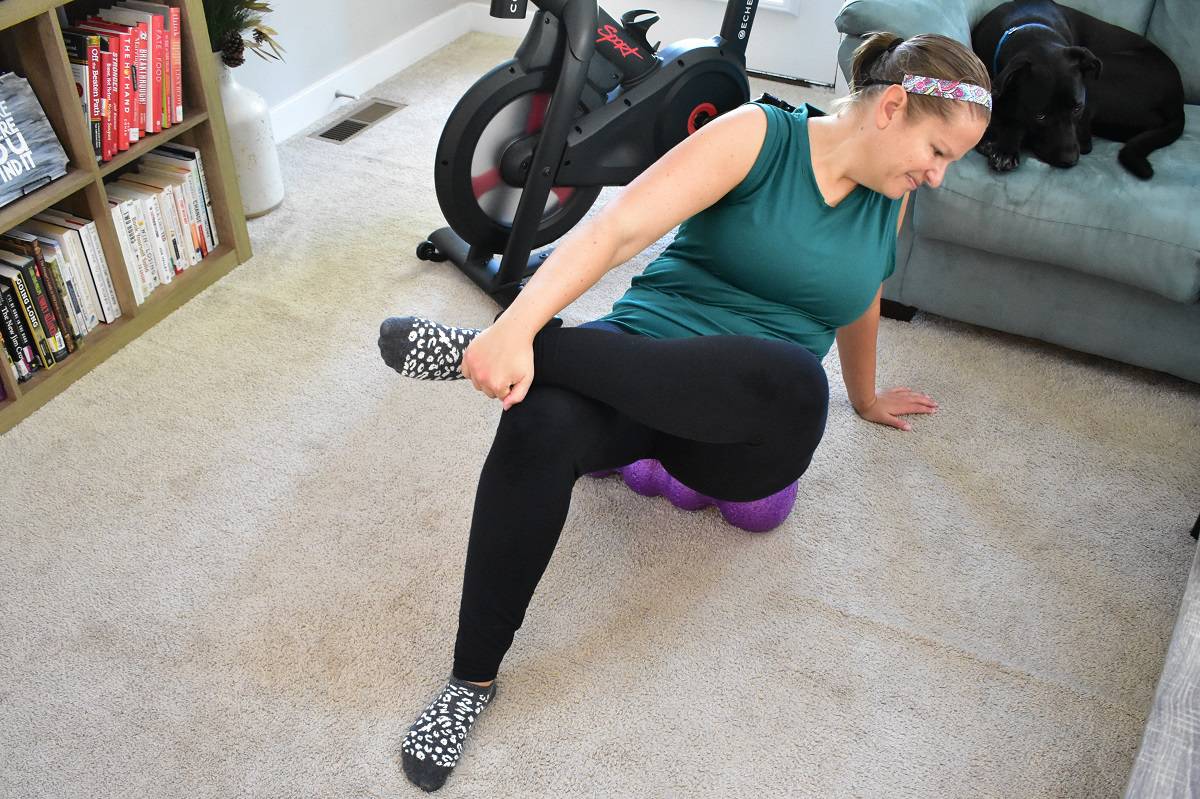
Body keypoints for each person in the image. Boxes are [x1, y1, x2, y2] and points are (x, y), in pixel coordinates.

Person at [378, 31, 992, 792]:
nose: (936, 175)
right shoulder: (759, 137)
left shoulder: (887, 204)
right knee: (536, 421)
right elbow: (618, 230)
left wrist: (863, 397)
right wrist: (521, 322)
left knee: (796, 381)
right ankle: (470, 680)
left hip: (744, 429)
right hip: (638, 361)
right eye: (938, 151)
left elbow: (860, 296)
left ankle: (507, 347)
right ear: (892, 107)